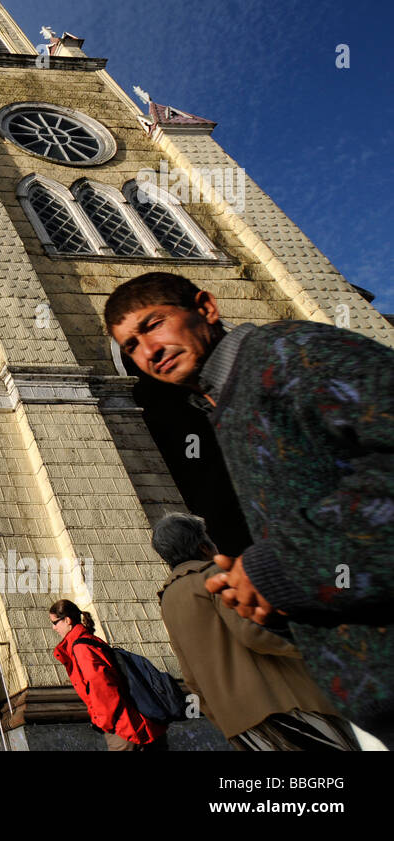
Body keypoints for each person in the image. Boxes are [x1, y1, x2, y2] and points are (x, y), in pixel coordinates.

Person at [106, 272, 394, 745]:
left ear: (207, 308)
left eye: (154, 325)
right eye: (131, 346)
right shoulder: (225, 405)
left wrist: (277, 568)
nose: (147, 352)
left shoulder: (290, 354)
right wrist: (269, 596)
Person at [152, 512, 357, 750]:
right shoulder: (213, 575)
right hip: (284, 704)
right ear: (204, 546)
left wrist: (222, 718)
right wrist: (312, 651)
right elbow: (254, 633)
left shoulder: (168, 599)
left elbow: (189, 676)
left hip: (239, 722)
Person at [49, 599, 167, 750]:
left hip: (124, 729)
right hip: (142, 722)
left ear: (67, 620)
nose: (53, 628)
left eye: (55, 622)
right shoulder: (92, 641)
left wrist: (103, 722)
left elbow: (102, 686)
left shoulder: (81, 647)